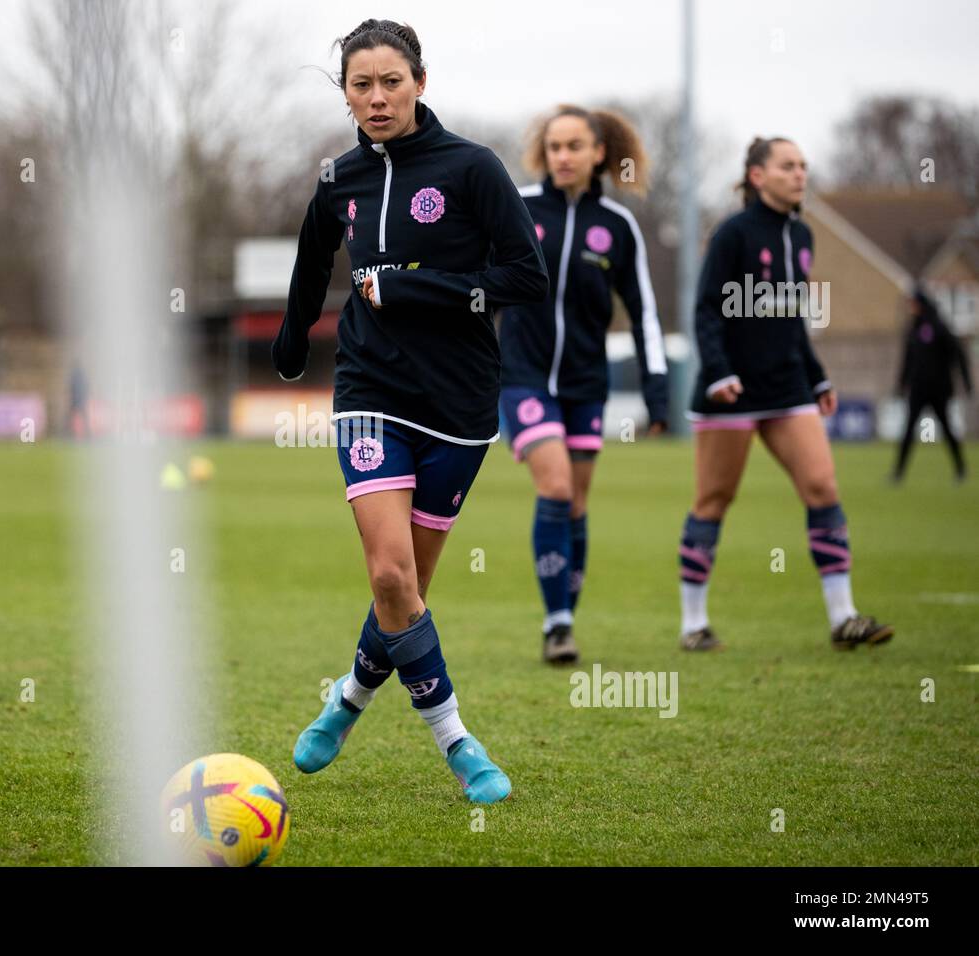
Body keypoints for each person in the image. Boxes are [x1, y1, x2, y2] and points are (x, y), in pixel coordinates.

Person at [271, 19, 548, 803]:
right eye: (361, 84)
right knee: (390, 570)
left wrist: (418, 286)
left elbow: (525, 276)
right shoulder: (337, 179)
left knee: (403, 593)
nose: (377, 97)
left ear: (420, 83)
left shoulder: (473, 168)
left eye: (391, 81)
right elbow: (311, 256)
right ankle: (459, 742)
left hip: (459, 404)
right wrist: (295, 336)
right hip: (370, 392)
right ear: (347, 95)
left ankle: (347, 700)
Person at [678, 136, 892, 652]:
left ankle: (844, 618)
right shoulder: (732, 233)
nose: (800, 174)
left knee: (822, 488)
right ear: (757, 176)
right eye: (788, 165)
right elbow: (707, 309)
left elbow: (792, 316)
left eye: (803, 166)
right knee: (714, 499)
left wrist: (817, 376)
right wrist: (719, 371)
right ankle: (693, 623)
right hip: (731, 390)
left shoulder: (802, 235)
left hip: (788, 386)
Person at [498, 105, 669, 664]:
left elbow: (642, 312)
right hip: (521, 379)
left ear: (599, 153)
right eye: (554, 147)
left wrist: (656, 389)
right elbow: (476, 282)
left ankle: (564, 615)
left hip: (585, 385)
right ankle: (557, 624)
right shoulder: (518, 208)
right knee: (555, 488)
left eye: (575, 146)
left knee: (576, 504)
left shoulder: (618, 228)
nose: (563, 156)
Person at [892, 286, 971, 482]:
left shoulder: (938, 326)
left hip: (938, 389)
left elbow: (958, 355)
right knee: (909, 429)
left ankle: (961, 469)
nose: (910, 307)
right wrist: (902, 384)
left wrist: (966, 382)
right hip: (918, 389)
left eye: (912, 303)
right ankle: (899, 473)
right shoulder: (913, 328)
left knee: (946, 428)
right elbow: (908, 360)